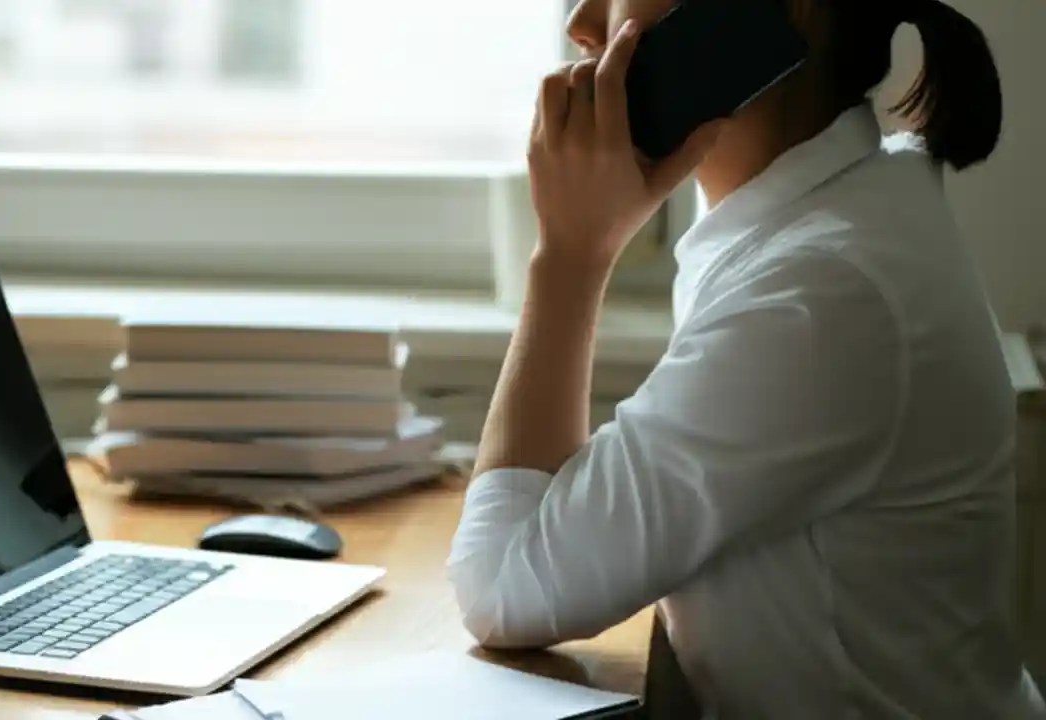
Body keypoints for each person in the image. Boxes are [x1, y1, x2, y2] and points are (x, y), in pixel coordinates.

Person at [446, 0, 1045, 717]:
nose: (581, 20)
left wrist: (570, 255)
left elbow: (501, 588)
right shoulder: (825, 216)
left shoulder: (825, 290)